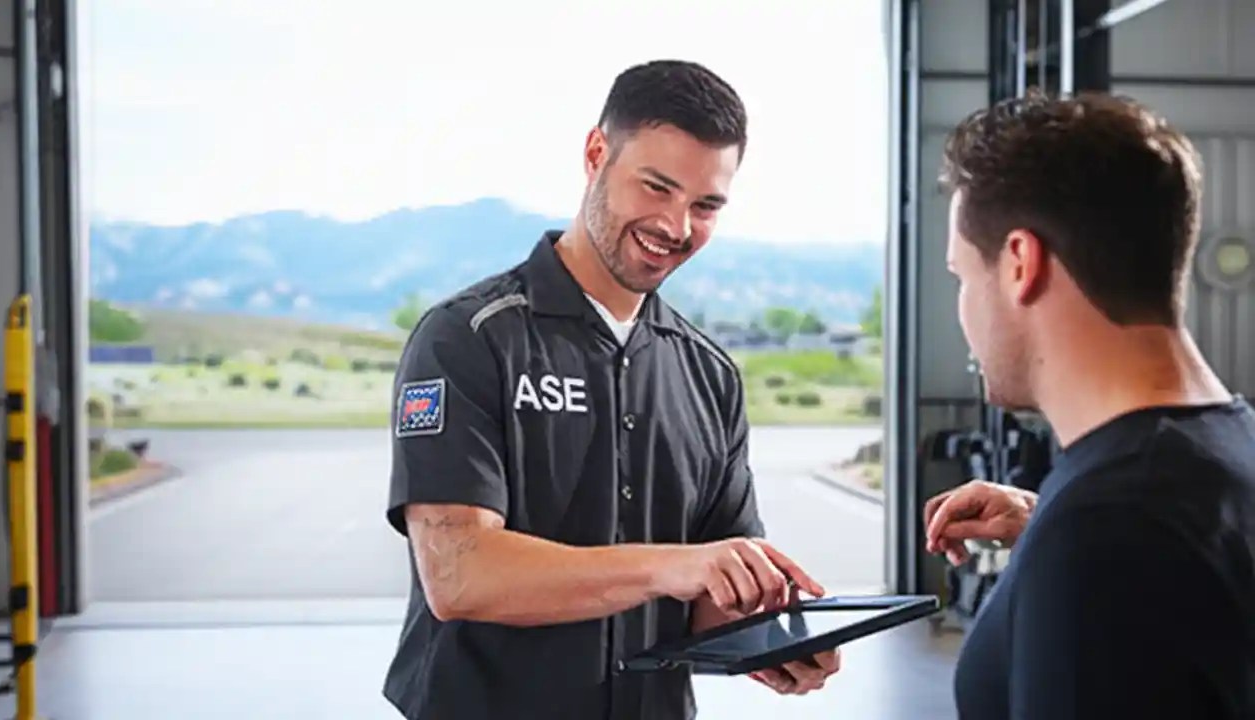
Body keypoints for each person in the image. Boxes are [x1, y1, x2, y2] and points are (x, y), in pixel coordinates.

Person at [381, 59, 840, 720]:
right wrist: (668, 566)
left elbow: (710, 591)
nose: (677, 227)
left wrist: (770, 639)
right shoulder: (467, 339)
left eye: (706, 205)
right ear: (597, 153)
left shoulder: (709, 376)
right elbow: (458, 573)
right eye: (656, 187)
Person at [925, 89, 1255, 719]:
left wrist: (1078, 541)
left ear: (1021, 262)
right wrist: (1052, 523)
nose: (962, 308)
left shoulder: (1108, 536)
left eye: (961, 276)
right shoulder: (1225, 455)